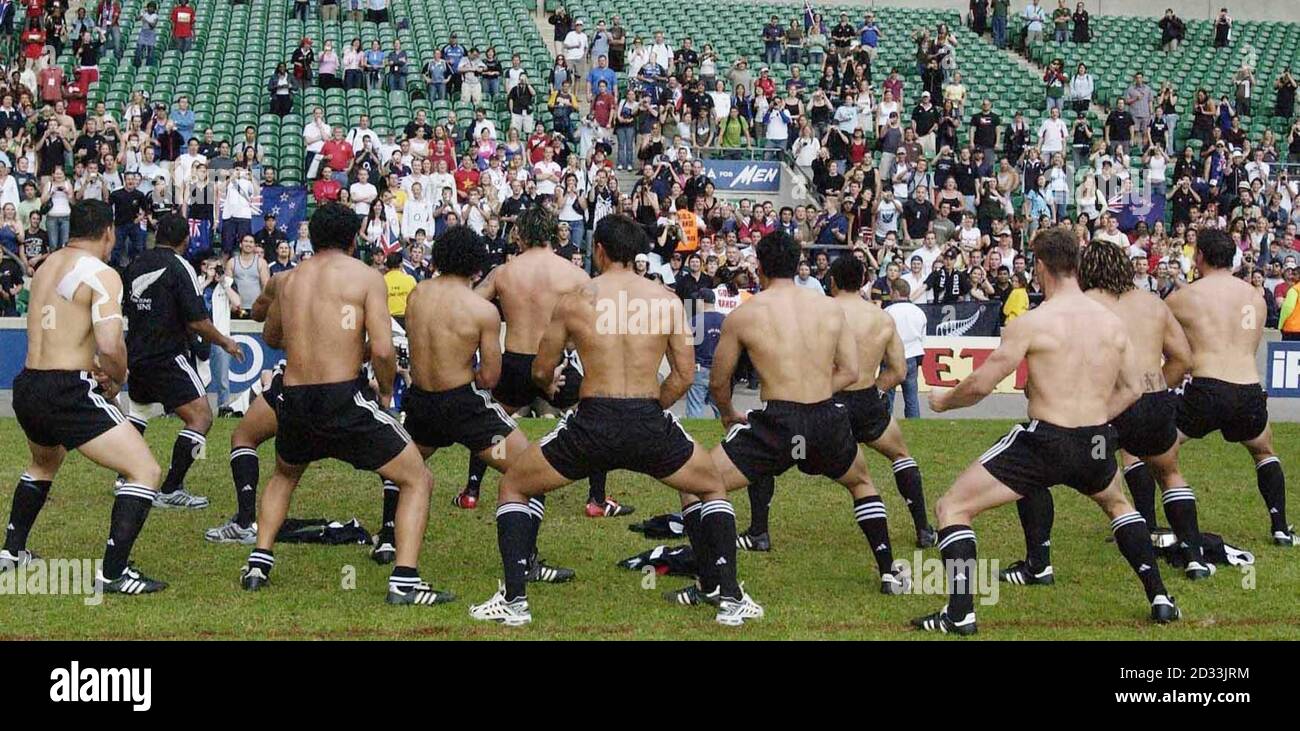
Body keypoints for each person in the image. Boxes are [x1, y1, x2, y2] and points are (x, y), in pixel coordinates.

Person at [470, 214, 762, 627]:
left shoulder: (577, 300)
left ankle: (515, 601)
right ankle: (728, 596)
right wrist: (650, 409)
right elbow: (683, 375)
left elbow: (540, 370)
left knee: (514, 484)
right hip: (645, 416)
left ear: (599, 250)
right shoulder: (666, 300)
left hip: (593, 420)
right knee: (711, 485)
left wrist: (549, 384)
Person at [914, 226, 1178, 636]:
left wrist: (943, 400)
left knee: (953, 508)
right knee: (1118, 506)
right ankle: (1160, 597)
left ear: (1040, 266)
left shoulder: (1034, 321)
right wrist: (1094, 416)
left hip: (1046, 439)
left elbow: (983, 384)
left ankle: (960, 613)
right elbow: (1132, 388)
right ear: (1076, 263)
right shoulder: (1111, 323)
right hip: (1093, 440)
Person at [238, 203, 449, 606]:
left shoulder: (289, 279)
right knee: (417, 477)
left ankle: (258, 562)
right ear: (354, 239)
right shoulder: (367, 277)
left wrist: (317, 340)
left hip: (296, 396)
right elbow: (385, 350)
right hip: (341, 397)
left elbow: (271, 336)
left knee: (285, 475)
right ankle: (404, 580)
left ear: (312, 238)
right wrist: (385, 391)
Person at [698, 230, 908, 606]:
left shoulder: (745, 314)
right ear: (799, 266)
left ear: (759, 267)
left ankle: (716, 583)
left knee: (699, 483)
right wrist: (814, 389)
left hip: (777, 419)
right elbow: (849, 370)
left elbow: (718, 381)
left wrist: (729, 415)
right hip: (826, 416)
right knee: (861, 483)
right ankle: (889, 570)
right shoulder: (829, 309)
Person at [1002, 240, 1213, 590]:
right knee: (1169, 472)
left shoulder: (1083, 308)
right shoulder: (1153, 304)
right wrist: (1157, 386)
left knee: (1085, 479)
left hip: (1106, 407)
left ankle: (1042, 560)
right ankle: (1193, 556)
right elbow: (1184, 359)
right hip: (1153, 399)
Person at [1, 200, 167, 594]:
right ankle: (113, 574)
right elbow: (110, 344)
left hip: (29, 384)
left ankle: (10, 553)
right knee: (145, 471)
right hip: (65, 389)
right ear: (108, 233)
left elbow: (63, 330)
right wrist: (117, 376)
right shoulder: (102, 273)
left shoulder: (44, 268)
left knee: (44, 463)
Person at [402, 225, 574, 596]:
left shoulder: (416, 295)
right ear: (477, 263)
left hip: (421, 402)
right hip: (464, 406)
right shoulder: (481, 311)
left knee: (406, 468)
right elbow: (491, 377)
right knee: (531, 469)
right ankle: (526, 562)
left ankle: (387, 540)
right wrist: (473, 374)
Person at [468, 207, 628, 516]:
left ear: (521, 234)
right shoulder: (573, 273)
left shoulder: (505, 272)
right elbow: (603, 319)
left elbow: (469, 305)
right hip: (555, 363)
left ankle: (472, 491)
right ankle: (596, 499)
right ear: (554, 233)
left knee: (493, 425)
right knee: (593, 421)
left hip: (514, 361)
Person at [1166, 228, 1294, 546]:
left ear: (1200, 258)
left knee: (1160, 452)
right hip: (1248, 388)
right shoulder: (1255, 296)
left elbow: (1166, 343)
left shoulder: (1183, 297)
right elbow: (1246, 343)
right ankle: (1280, 527)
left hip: (1207, 387)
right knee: (1264, 450)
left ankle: (1163, 531)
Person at [120, 213, 243, 510]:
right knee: (201, 417)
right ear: (185, 240)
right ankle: (171, 489)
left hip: (137, 353)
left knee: (139, 413)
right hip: (166, 356)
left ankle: (125, 479)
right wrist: (225, 341)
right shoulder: (180, 267)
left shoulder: (136, 263)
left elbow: (128, 306)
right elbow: (198, 321)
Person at [829, 256, 936, 547]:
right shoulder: (882, 317)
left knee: (777, 449)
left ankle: (759, 530)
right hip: (866, 399)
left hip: (827, 402)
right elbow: (899, 371)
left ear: (832, 281)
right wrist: (876, 389)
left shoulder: (822, 313)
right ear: (864, 280)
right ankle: (924, 528)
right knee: (901, 456)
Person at [885, 278, 926, 419]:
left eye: (891, 291)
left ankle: (886, 427)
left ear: (896, 293)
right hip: (912, 358)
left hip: (891, 359)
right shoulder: (919, 312)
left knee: (887, 398)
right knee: (912, 398)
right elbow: (922, 338)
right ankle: (915, 426)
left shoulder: (888, 311)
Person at [684, 288, 722, 418]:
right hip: (720, 370)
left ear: (701, 301)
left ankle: (695, 435)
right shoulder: (726, 320)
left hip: (699, 368)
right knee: (721, 410)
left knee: (695, 408)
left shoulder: (694, 321)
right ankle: (725, 436)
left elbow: (685, 346)